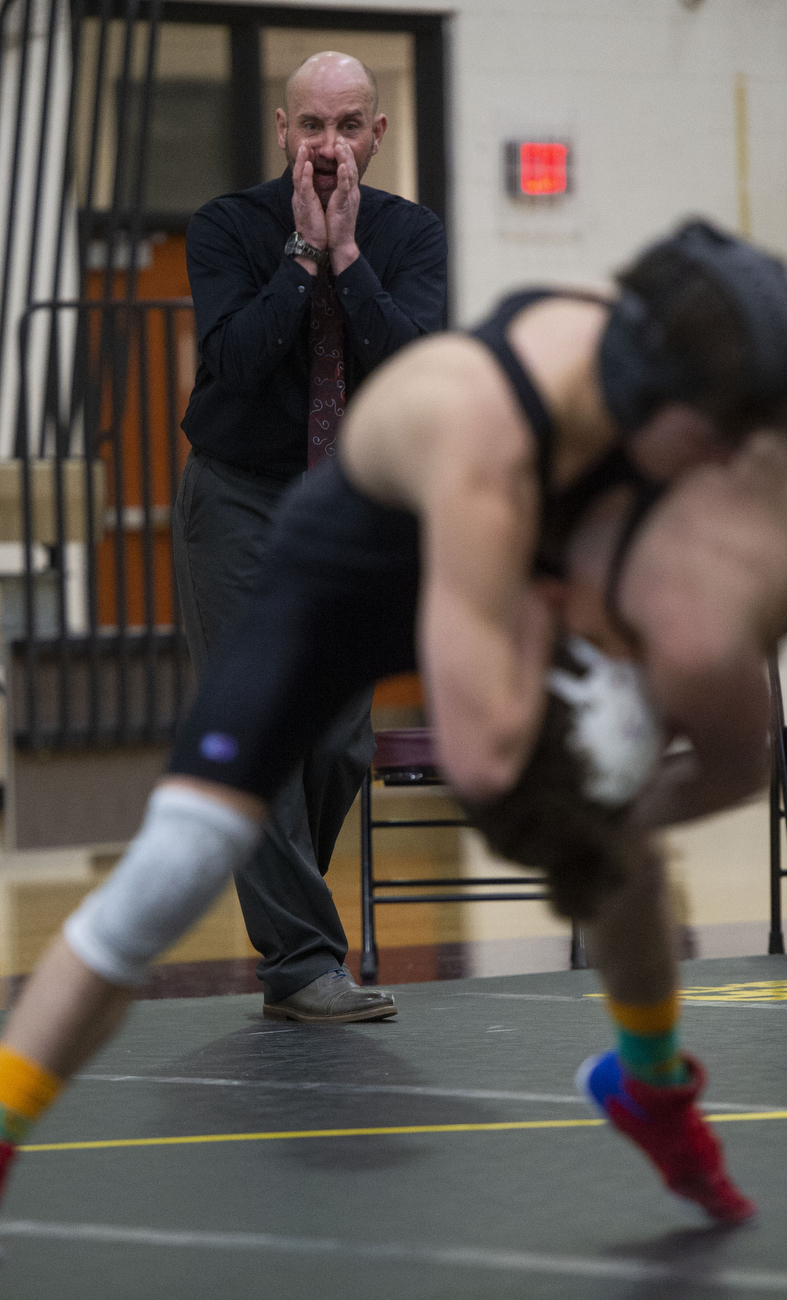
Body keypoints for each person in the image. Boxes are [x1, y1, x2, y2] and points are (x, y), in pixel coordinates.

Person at [0, 221, 787, 1223]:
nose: (726, 465)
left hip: (528, 566)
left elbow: (719, 717)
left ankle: (650, 1084)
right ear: (654, 398)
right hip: (340, 590)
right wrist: (573, 768)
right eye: (715, 439)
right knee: (177, 864)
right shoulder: (483, 435)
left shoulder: (652, 364)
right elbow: (485, 761)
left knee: (639, 825)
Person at [175, 50, 447, 1023]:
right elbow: (232, 365)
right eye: (311, 126)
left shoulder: (411, 235)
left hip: (347, 507)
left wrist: (345, 258)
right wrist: (297, 253)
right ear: (284, 133)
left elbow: (411, 365)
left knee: (336, 744)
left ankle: (279, 893)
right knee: (260, 731)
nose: (329, 146)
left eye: (348, 126)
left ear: (375, 134)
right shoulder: (227, 228)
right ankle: (300, 961)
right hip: (239, 495)